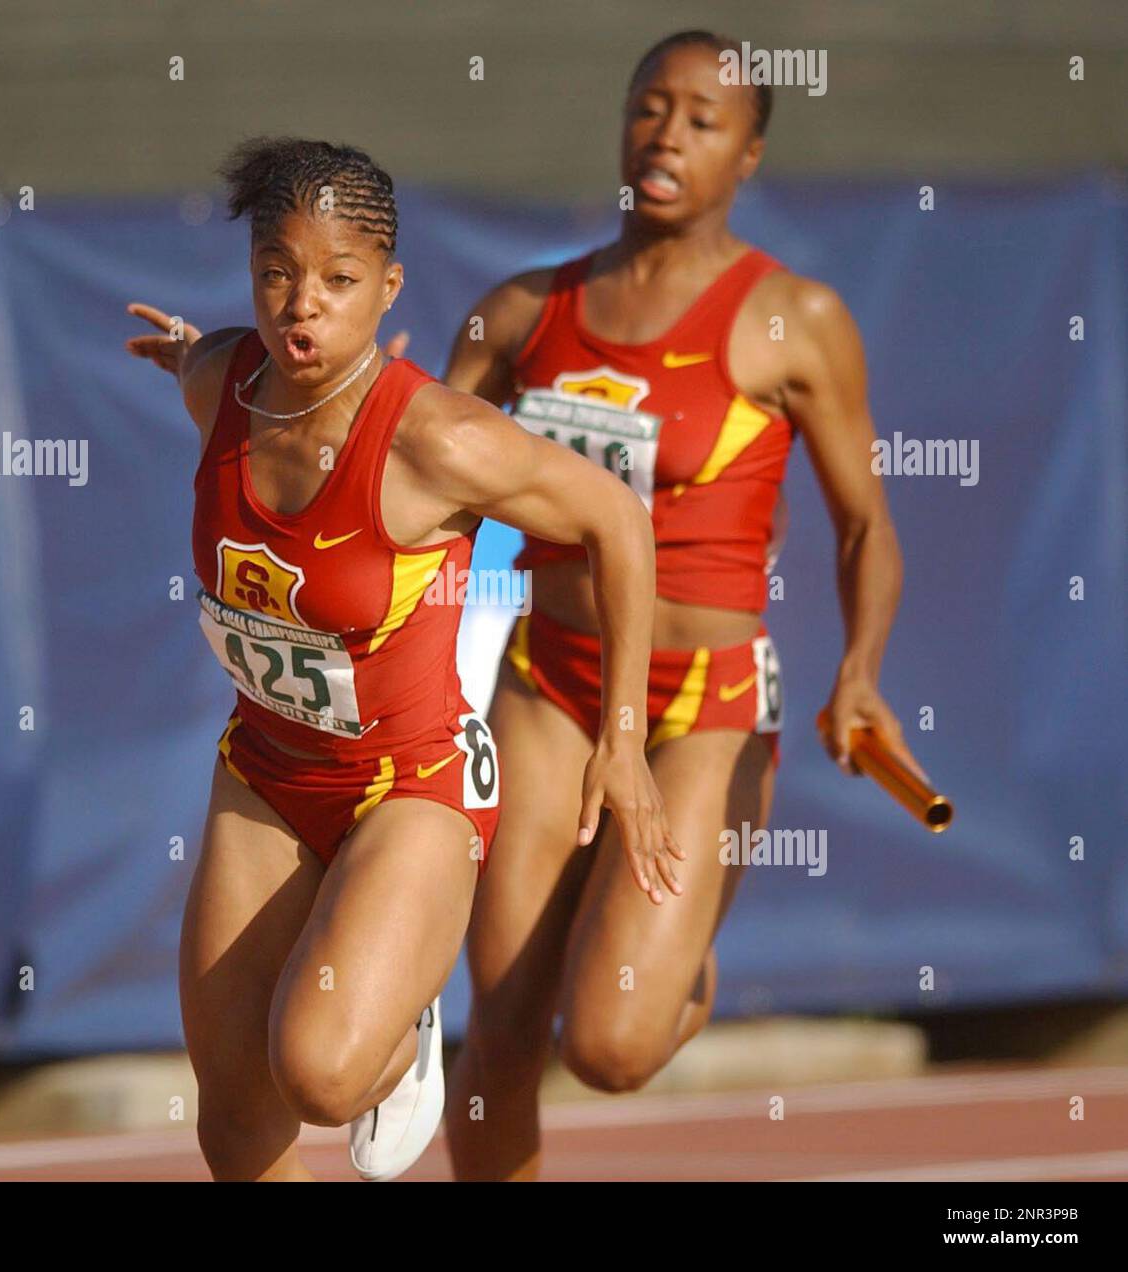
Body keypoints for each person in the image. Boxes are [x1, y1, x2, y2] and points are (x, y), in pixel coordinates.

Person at [124, 136, 676, 1181]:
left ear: (388, 288)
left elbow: (616, 521)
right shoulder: (218, 385)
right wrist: (191, 346)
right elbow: (210, 353)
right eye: (276, 275)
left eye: (337, 282)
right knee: (235, 1127)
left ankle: (401, 1021)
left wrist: (624, 739)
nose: (301, 307)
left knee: (322, 1075)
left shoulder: (437, 439)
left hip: (409, 783)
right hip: (266, 775)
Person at [426, 30, 927, 1181]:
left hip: (702, 705)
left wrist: (859, 670)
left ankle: (676, 962)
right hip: (551, 684)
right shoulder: (520, 312)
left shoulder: (790, 321)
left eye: (703, 119)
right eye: (651, 107)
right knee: (499, 1030)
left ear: (748, 154)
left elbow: (866, 526)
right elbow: (420, 485)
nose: (667, 134)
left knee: (605, 1046)